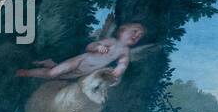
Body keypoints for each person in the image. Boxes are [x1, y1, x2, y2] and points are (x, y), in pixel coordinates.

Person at [16, 23, 146, 81]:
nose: (136, 36)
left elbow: (122, 64)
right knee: (52, 74)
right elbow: (89, 47)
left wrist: (116, 73)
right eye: (134, 31)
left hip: (85, 71)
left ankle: (49, 63)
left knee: (59, 76)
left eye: (139, 36)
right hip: (81, 61)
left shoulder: (125, 52)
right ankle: (27, 72)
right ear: (123, 30)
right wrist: (97, 47)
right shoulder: (112, 41)